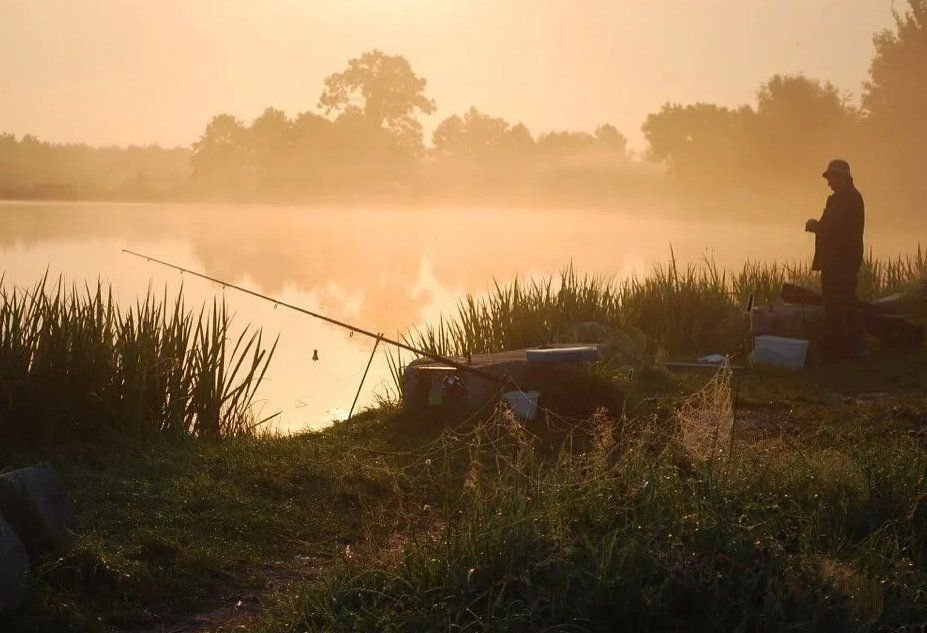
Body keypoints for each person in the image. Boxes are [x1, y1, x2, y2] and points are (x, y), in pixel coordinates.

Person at [805, 159, 866, 359]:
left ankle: (852, 349)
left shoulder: (852, 200)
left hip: (844, 262)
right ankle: (838, 348)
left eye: (831, 178)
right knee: (832, 304)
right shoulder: (835, 200)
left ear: (842, 178)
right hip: (831, 262)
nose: (828, 183)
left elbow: (835, 229)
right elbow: (829, 225)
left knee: (844, 304)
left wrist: (815, 226)